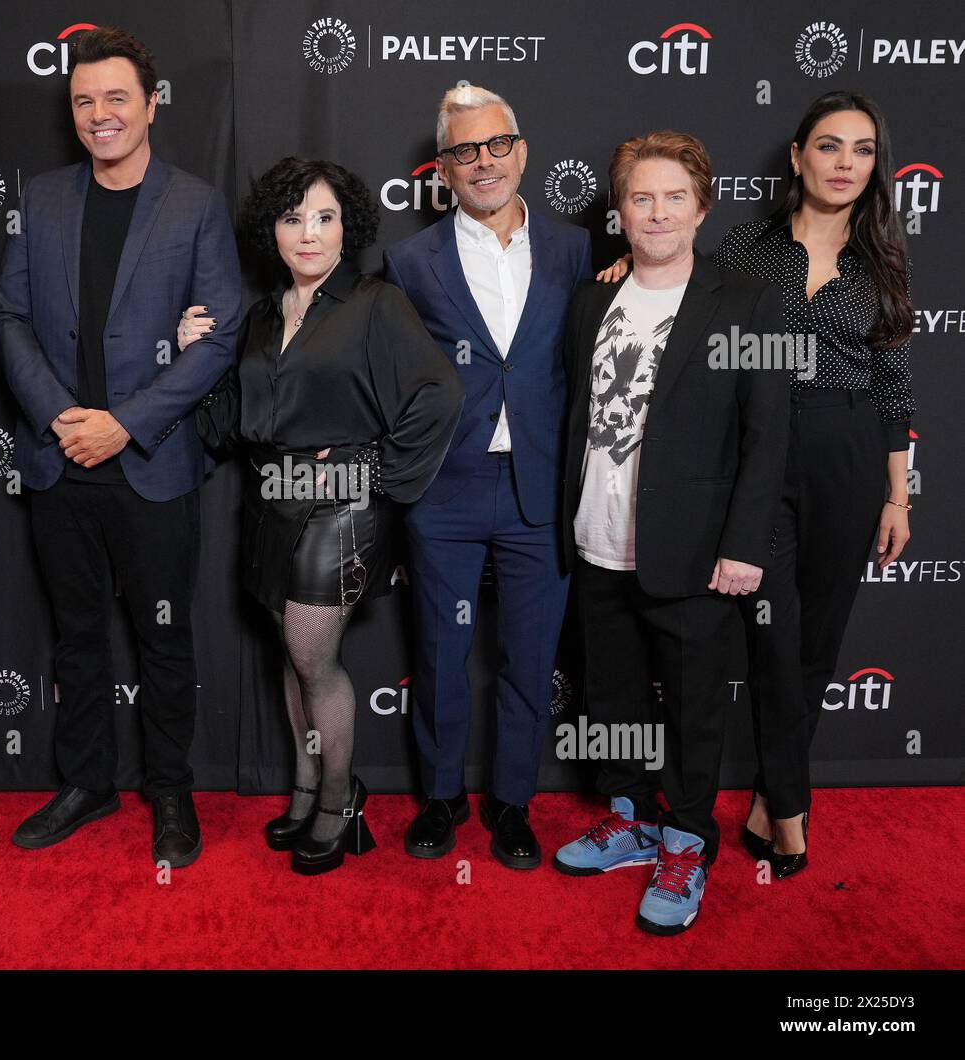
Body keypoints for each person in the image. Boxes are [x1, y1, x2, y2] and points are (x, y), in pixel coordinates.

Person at [597, 93, 916, 879]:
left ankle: (776, 798)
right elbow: (676, 287)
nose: (846, 162)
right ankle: (789, 805)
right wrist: (618, 271)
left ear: (875, 167)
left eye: (864, 150)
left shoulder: (882, 259)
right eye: (830, 146)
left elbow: (895, 390)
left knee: (816, 643)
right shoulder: (746, 245)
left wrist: (897, 494)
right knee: (772, 636)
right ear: (798, 156)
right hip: (757, 449)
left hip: (845, 453)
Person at [0, 26, 241, 867]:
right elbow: (10, 316)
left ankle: (170, 789)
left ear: (151, 105)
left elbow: (220, 336)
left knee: (165, 636)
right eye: (85, 100)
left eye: (116, 98)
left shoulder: (197, 204)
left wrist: (124, 422)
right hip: (60, 458)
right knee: (76, 635)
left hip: (152, 461)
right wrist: (63, 416)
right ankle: (87, 782)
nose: (100, 115)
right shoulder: (46, 196)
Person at [187, 157, 463, 875]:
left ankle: (342, 799)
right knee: (292, 655)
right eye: (292, 218)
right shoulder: (260, 315)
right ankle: (309, 784)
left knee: (314, 655)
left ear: (349, 227)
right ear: (270, 231)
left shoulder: (376, 302)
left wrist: (371, 469)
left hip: (343, 507)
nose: (309, 234)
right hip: (268, 503)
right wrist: (194, 360)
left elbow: (439, 394)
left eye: (325, 217)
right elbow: (225, 429)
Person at [552, 132, 789, 934]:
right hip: (595, 539)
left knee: (692, 710)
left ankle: (686, 843)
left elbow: (768, 436)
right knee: (612, 697)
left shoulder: (746, 302)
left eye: (674, 197)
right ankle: (630, 819)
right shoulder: (593, 298)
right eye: (641, 198)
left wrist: (745, 545)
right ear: (619, 211)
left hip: (695, 552)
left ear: (703, 206)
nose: (656, 213)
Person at [382, 86, 592, 869]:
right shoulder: (409, 259)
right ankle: (440, 797)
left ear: (522, 151)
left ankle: (510, 803)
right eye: (465, 152)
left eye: (497, 145)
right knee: (440, 652)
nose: (484, 163)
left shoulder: (576, 250)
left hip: (541, 486)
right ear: (443, 169)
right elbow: (394, 376)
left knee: (529, 658)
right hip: (446, 488)